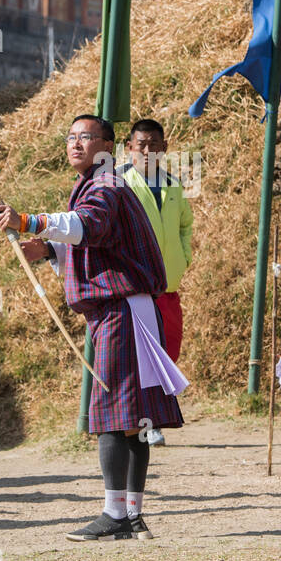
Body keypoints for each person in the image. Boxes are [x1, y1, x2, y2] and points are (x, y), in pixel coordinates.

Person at [0, 114, 187, 542]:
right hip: (131, 309)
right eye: (71, 137)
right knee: (132, 417)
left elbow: (90, 226)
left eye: (86, 137)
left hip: (123, 312)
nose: (76, 143)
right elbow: (97, 246)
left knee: (114, 415)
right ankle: (132, 516)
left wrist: (28, 221)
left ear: (107, 145)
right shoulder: (102, 183)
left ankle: (115, 513)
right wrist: (49, 250)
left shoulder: (105, 184)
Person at [119, 119, 194, 445]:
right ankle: (146, 422)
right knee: (142, 358)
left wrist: (184, 258)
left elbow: (185, 226)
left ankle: (153, 417)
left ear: (165, 148)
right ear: (130, 148)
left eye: (154, 144)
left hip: (169, 287)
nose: (148, 151)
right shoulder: (120, 185)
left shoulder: (173, 185)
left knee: (168, 352)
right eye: (141, 144)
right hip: (138, 289)